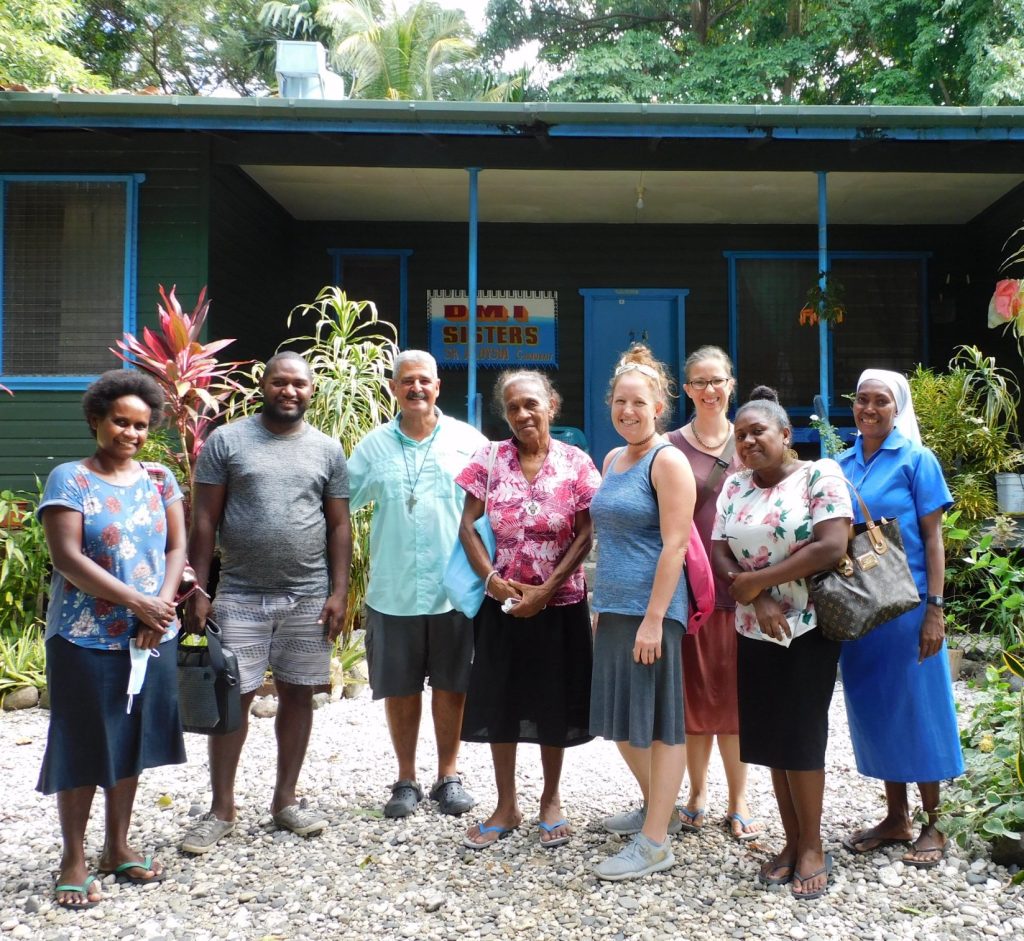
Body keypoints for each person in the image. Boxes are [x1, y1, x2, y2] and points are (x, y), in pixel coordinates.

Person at [181, 351, 351, 854]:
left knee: (300, 694)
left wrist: (338, 592)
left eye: (299, 384)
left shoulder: (326, 449)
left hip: (307, 595)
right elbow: (204, 521)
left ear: (311, 391)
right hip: (238, 593)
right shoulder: (227, 441)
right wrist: (198, 587)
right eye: (280, 382)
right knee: (233, 698)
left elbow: (339, 524)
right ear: (264, 385)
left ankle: (285, 801)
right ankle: (221, 808)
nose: (289, 391)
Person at [37, 369, 187, 909]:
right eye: (120, 422)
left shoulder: (160, 478)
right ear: (96, 420)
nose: (131, 433)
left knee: (132, 739)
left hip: (150, 635)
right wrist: (136, 602)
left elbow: (176, 549)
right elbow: (67, 559)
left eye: (141, 425)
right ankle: (73, 858)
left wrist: (161, 608)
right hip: (83, 638)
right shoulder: (70, 479)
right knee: (81, 742)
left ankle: (117, 846)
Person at [711, 387, 852, 900]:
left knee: (802, 734)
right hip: (755, 627)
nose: (747, 441)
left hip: (811, 627)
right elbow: (720, 549)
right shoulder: (734, 486)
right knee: (772, 737)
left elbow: (832, 544)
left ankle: (813, 845)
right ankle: (791, 843)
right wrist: (757, 597)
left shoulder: (820, 475)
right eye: (741, 435)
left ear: (786, 435)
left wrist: (761, 581)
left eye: (758, 432)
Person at [455, 370, 601, 849]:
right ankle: (506, 804)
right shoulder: (490, 459)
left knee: (553, 701)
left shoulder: (577, 462)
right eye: (514, 407)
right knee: (501, 699)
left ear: (552, 406)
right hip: (502, 606)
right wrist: (493, 582)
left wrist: (546, 589)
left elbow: (585, 533)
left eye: (531, 404)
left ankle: (551, 801)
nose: (522, 414)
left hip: (560, 605)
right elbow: (468, 527)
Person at [347, 350, 487, 818]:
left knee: (453, 686)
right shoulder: (372, 447)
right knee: (401, 689)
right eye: (406, 381)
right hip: (394, 589)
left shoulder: (470, 442)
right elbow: (339, 503)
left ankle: (449, 775)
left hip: (454, 592)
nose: (416, 388)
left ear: (437, 386)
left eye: (424, 380)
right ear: (393, 388)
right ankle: (405, 780)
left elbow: (493, 510)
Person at [837, 369, 963, 868]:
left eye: (880, 401)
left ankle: (936, 822)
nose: (869, 409)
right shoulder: (842, 464)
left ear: (898, 407)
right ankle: (896, 817)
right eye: (861, 399)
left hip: (909, 610)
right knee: (878, 709)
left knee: (919, 709)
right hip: (861, 613)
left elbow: (934, 539)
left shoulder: (916, 460)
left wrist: (936, 608)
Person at [589, 345, 697, 881]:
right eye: (619, 401)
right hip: (613, 607)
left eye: (639, 402)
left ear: (659, 406)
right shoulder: (613, 459)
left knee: (658, 724)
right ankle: (660, 807)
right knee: (620, 721)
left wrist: (655, 618)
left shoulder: (667, 460)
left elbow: (675, 545)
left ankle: (655, 841)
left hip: (653, 611)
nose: (628, 411)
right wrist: (600, 606)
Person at [669, 345, 760, 841]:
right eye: (699, 382)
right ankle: (697, 792)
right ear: (687, 390)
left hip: (743, 587)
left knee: (737, 702)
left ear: (731, 385)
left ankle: (739, 797)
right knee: (694, 699)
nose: (709, 390)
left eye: (717, 380)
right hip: (690, 593)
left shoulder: (748, 443)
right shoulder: (669, 446)